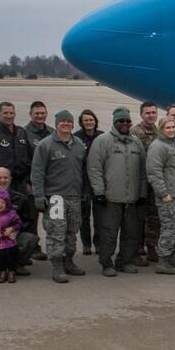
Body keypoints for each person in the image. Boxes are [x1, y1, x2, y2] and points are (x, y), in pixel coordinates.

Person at [86, 107, 146, 276]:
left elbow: (143, 170)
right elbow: (94, 168)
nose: (125, 124)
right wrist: (99, 192)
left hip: (132, 198)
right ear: (115, 122)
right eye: (121, 121)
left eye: (128, 121)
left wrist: (142, 193)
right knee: (109, 233)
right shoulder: (102, 141)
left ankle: (124, 261)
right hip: (110, 198)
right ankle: (107, 263)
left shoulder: (136, 142)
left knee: (130, 233)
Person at [31, 110, 87, 283]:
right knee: (56, 232)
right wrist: (39, 196)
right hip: (55, 198)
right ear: (56, 124)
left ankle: (68, 261)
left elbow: (83, 171)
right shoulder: (45, 145)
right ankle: (57, 266)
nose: (66, 124)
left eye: (69, 122)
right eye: (62, 121)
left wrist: (84, 192)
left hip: (74, 196)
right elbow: (38, 172)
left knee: (72, 231)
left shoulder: (79, 144)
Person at [130, 102, 161, 264]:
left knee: (154, 217)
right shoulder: (133, 133)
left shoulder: (160, 132)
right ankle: (135, 250)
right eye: (147, 113)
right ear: (142, 114)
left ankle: (152, 248)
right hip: (138, 181)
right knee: (137, 217)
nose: (151, 115)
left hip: (154, 183)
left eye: (153, 112)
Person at [74, 109, 102, 256]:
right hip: (83, 182)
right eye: (86, 120)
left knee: (99, 215)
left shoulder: (102, 136)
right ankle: (86, 244)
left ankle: (98, 243)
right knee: (84, 216)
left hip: (97, 181)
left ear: (95, 121)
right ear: (81, 122)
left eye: (91, 120)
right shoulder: (76, 138)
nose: (89, 122)